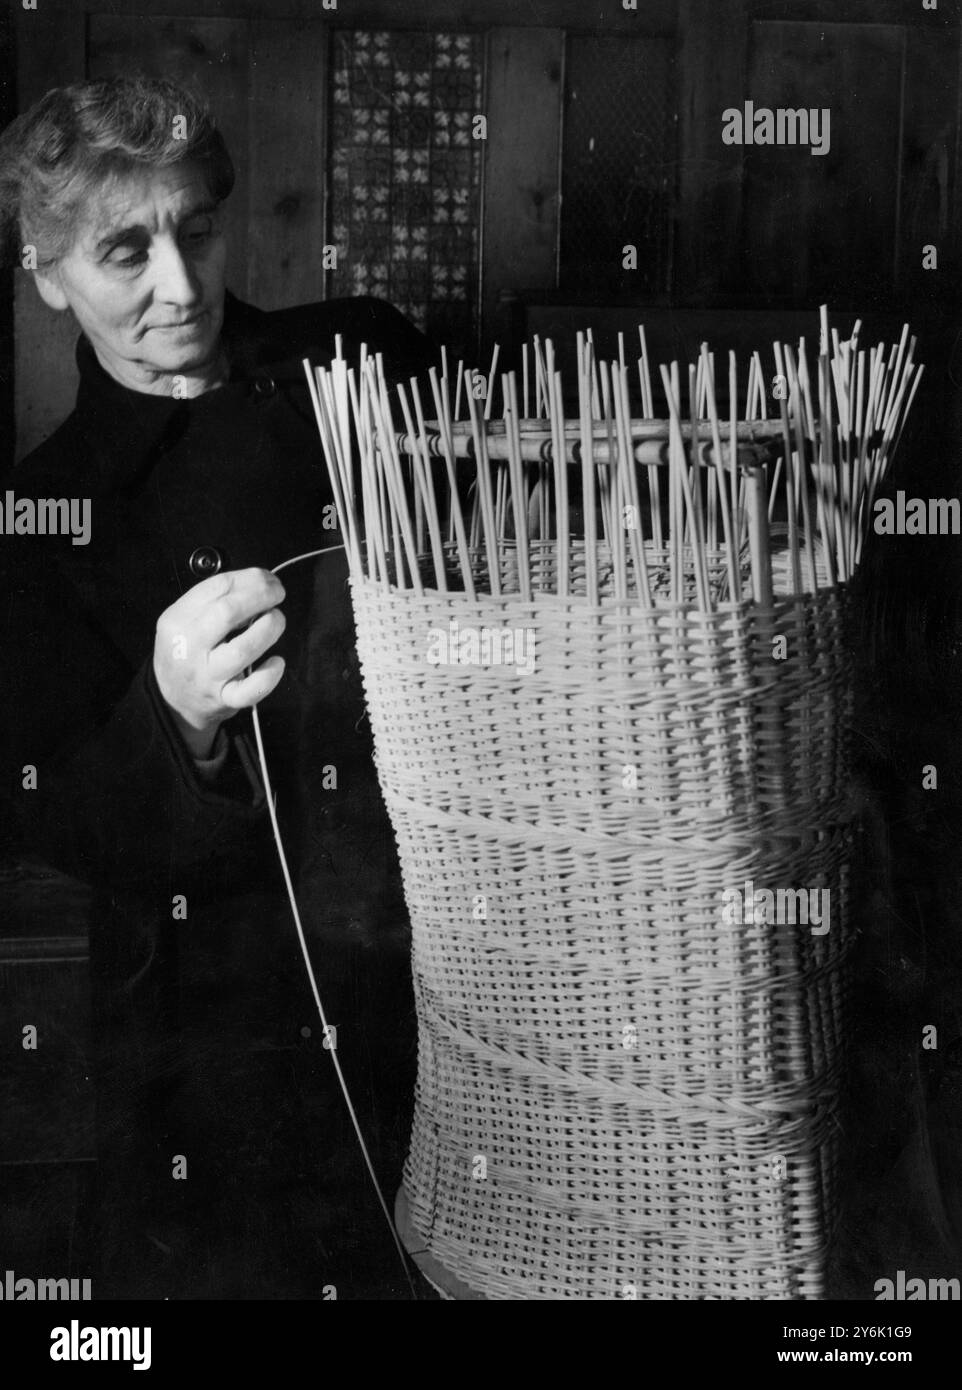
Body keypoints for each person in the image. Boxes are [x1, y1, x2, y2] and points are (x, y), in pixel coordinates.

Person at [0, 74, 439, 1298]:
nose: (180, 285)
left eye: (195, 230)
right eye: (124, 252)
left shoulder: (364, 358)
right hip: (215, 1021)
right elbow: (58, 813)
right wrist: (176, 713)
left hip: (449, 955)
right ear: (47, 275)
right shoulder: (42, 518)